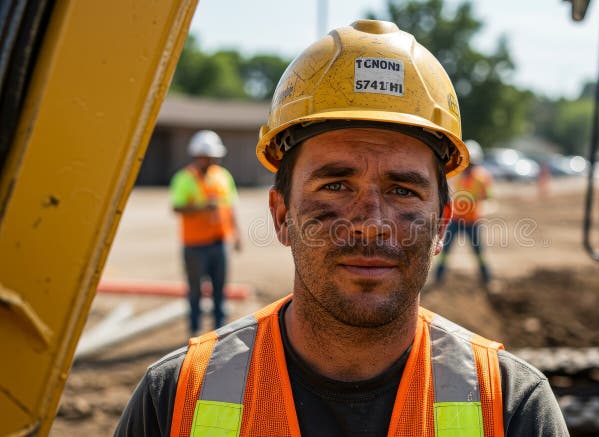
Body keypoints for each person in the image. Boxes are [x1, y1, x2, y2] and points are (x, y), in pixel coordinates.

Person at [116, 20, 568, 436]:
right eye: (335, 185)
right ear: (281, 215)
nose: (370, 224)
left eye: (403, 191)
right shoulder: (174, 400)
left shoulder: (511, 409)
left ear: (442, 225)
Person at [169, 130, 241, 336]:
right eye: (204, 156)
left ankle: (220, 331)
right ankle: (195, 330)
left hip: (219, 242)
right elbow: (177, 207)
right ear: (196, 155)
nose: (208, 160)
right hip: (194, 245)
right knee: (195, 290)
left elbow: (230, 207)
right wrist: (202, 208)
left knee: (220, 289)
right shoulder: (184, 178)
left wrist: (237, 236)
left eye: (211, 157)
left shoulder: (223, 176)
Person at [435, 139, 494, 286]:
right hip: (455, 220)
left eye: (472, 163)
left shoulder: (483, 178)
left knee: (478, 251)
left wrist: (482, 207)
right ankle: (438, 278)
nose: (469, 166)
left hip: (472, 221)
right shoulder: (456, 175)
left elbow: (489, 197)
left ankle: (486, 279)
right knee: (445, 250)